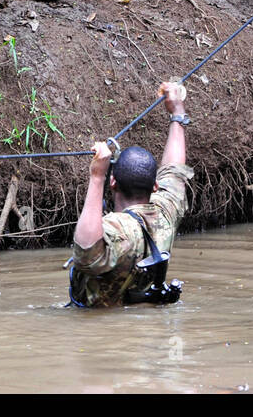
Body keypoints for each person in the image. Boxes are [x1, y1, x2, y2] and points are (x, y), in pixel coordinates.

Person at [69, 81, 194, 308]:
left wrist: (97, 176)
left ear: (113, 182)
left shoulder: (113, 229)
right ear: (155, 186)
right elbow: (174, 172)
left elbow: (86, 252)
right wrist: (178, 113)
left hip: (95, 331)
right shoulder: (165, 213)